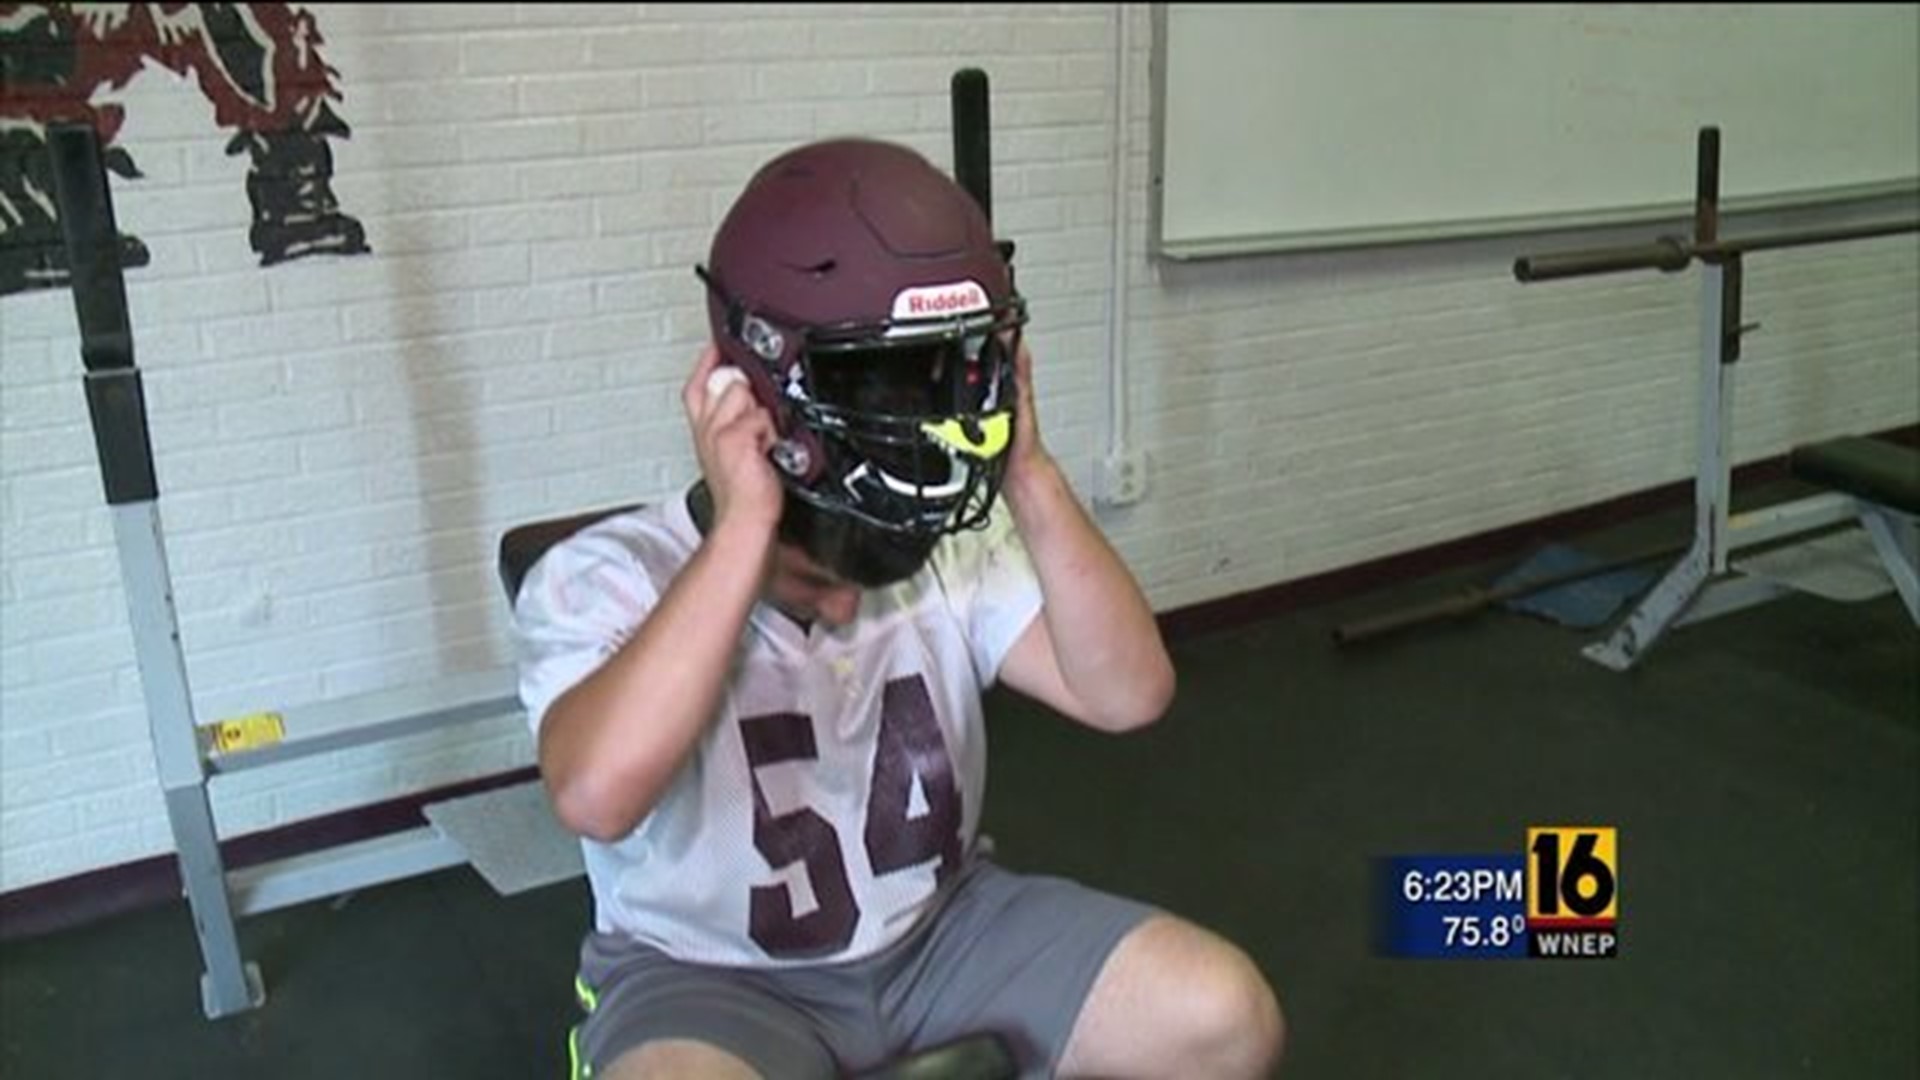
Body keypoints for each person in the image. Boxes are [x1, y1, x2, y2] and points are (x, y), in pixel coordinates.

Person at [513, 138, 1284, 1079]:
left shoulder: (953, 547)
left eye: (942, 377)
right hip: (707, 978)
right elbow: (593, 794)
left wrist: (1028, 471)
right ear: (747, 384)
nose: (919, 428)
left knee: (1222, 1017)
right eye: (876, 383)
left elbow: (1128, 692)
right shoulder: (604, 575)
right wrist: (743, 528)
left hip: (941, 932)